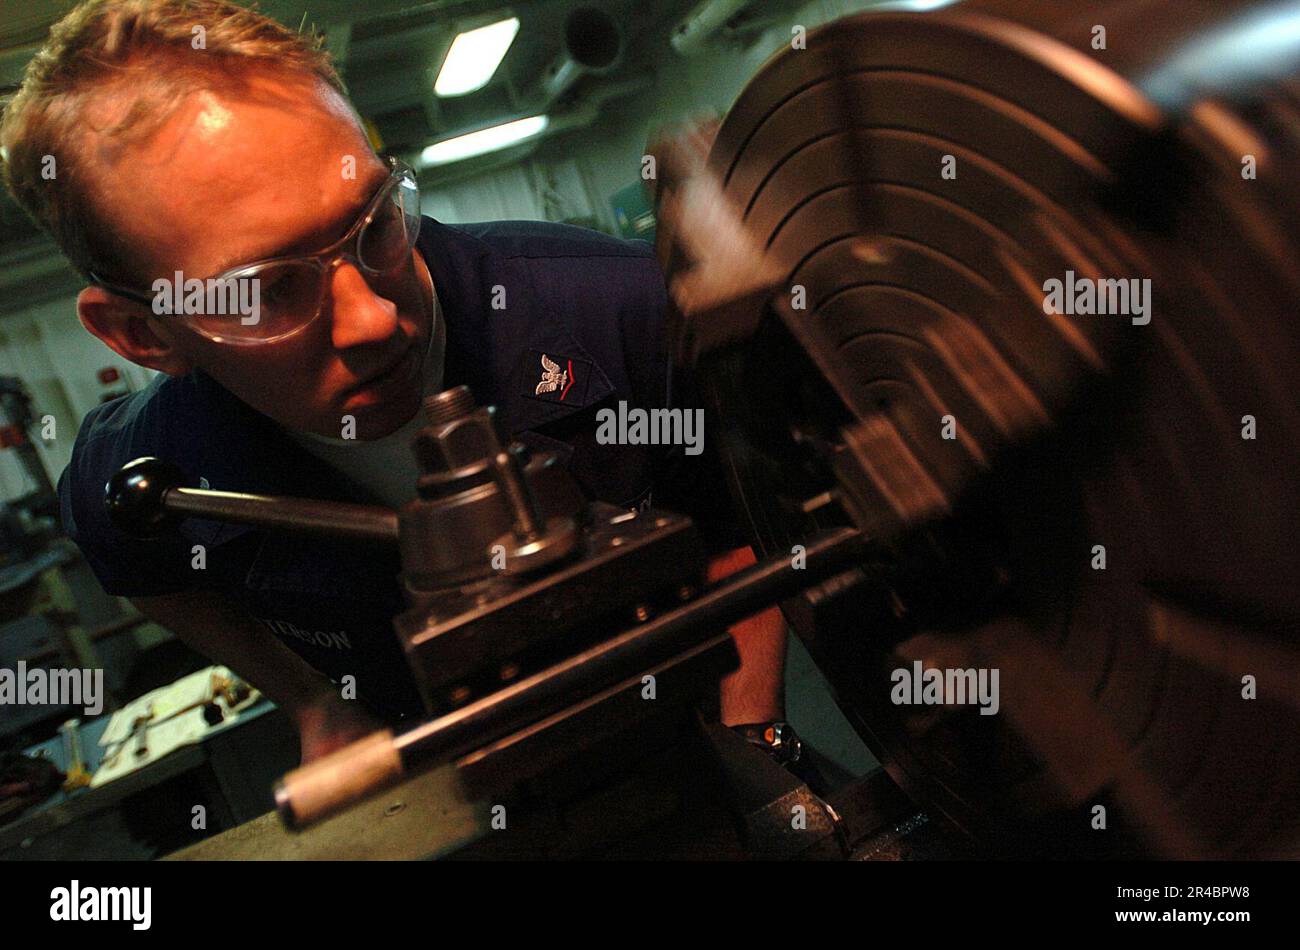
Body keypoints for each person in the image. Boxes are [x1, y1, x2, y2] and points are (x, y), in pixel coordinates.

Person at [0, 0, 796, 768]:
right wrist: (313, 701)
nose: (374, 320)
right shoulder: (139, 469)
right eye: (269, 290)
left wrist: (754, 747)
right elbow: (128, 558)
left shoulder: (613, 309)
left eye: (375, 223)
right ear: (142, 333)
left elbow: (737, 529)